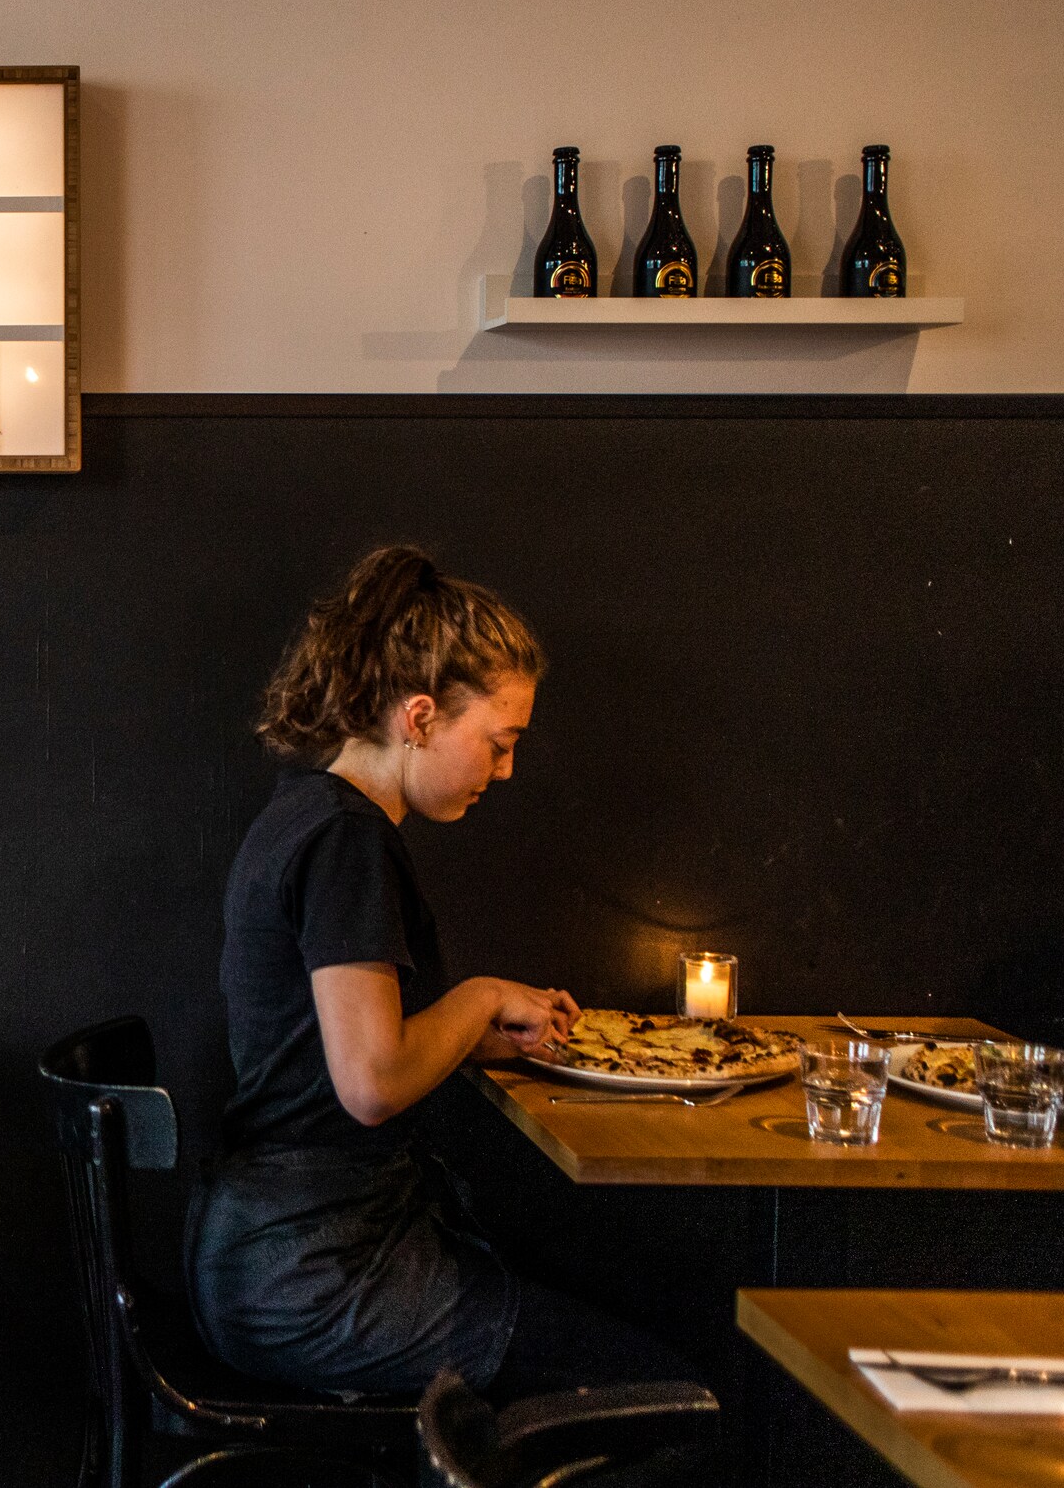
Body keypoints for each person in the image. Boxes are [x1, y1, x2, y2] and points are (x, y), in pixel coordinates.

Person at [188, 544, 695, 1399]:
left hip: (283, 1246)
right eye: (498, 743)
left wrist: (476, 1038)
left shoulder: (309, 811)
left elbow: (330, 1057)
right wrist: (479, 995)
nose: (505, 771)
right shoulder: (347, 841)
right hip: (311, 1271)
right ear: (420, 716)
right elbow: (371, 1082)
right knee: (663, 1392)